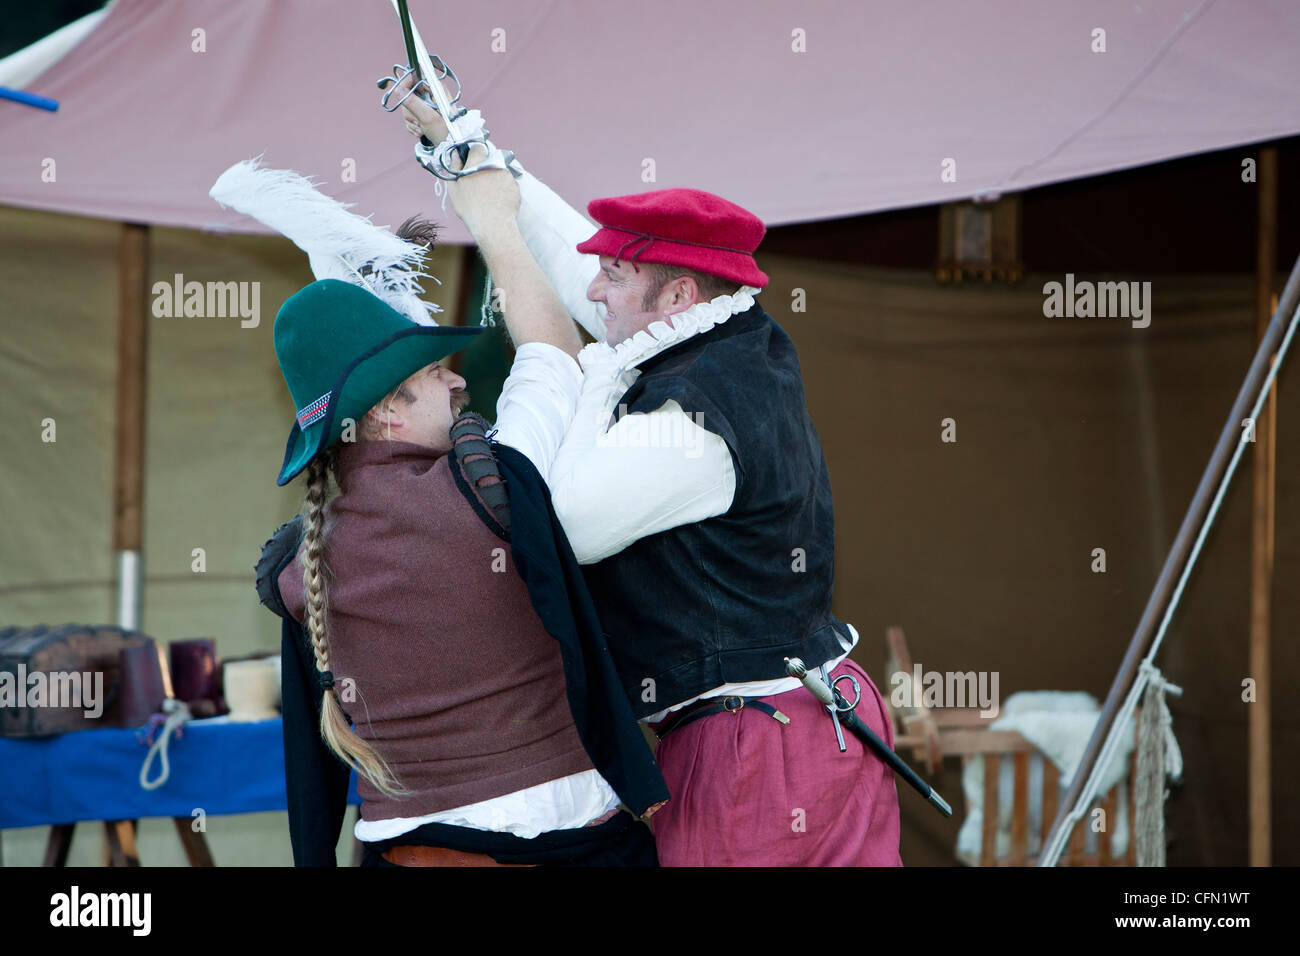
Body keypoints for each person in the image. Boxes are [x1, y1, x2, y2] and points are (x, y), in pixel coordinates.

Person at [401, 83, 903, 866]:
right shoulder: (728, 332)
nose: (593, 291)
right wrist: (473, 154)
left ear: (676, 295)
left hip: (753, 745)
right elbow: (582, 266)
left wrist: (575, 378)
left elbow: (557, 524)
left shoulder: (691, 424)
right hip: (810, 720)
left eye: (617, 278)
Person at [252, 149, 667, 867]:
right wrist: (495, 220)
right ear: (385, 413)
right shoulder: (488, 487)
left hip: (400, 850)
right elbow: (554, 353)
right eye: (432, 373)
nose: (456, 384)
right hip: (563, 839)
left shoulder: (299, 567)